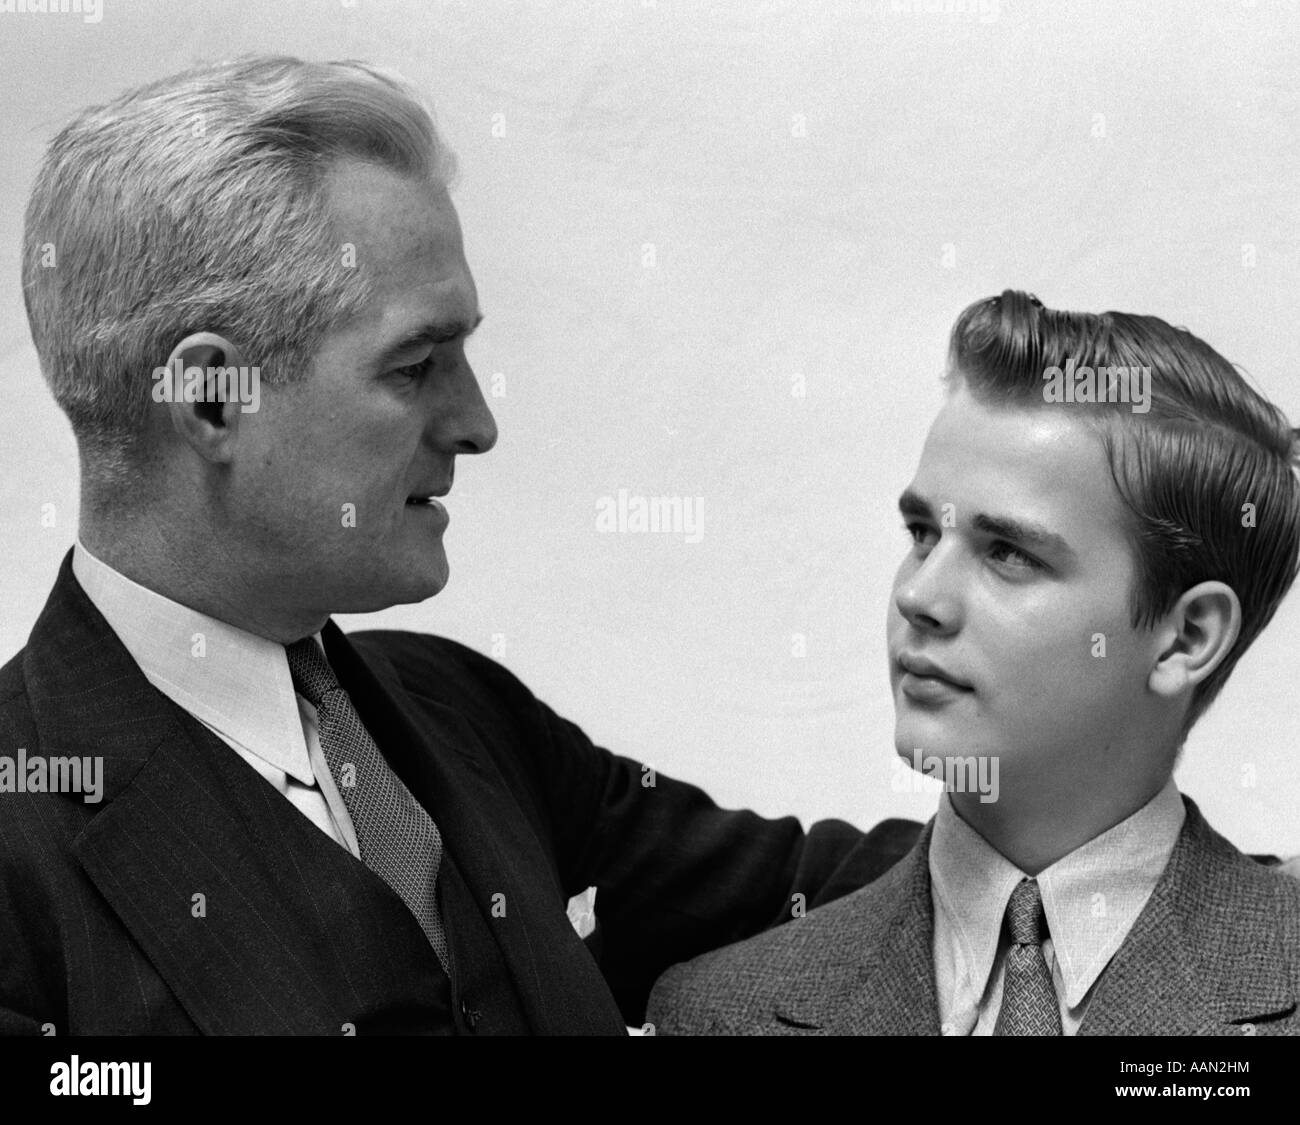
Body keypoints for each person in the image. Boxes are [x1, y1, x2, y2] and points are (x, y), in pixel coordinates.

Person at [0, 56, 920, 1036]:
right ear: (214, 398)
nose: (476, 423)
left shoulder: (461, 713)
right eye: (417, 364)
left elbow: (852, 899)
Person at [648, 290, 1300, 1035]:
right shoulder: (718, 1015)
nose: (919, 595)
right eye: (923, 532)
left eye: (1007, 552)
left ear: (1187, 638)